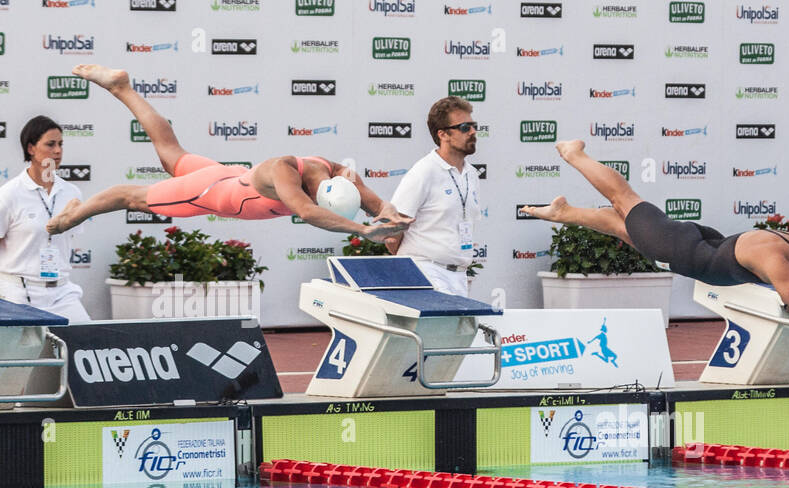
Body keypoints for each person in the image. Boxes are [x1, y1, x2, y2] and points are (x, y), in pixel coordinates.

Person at [521, 139, 789, 392]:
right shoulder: (779, 269)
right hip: (693, 253)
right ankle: (574, 154)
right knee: (625, 201)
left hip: (711, 241)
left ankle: (564, 213)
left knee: (630, 229)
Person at [45, 65, 410, 241]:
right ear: (320, 192)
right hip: (214, 192)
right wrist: (363, 230)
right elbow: (307, 212)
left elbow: (366, 198)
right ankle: (74, 215)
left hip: (226, 176)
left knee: (171, 153)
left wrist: (386, 212)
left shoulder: (332, 172)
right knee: (129, 197)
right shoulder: (285, 170)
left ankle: (121, 87)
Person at [382, 97, 482, 296]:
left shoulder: (471, 173)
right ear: (443, 134)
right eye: (464, 127)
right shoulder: (424, 171)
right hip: (426, 273)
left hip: (459, 276)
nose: (472, 132)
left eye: (473, 125)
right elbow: (392, 233)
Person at [0, 115, 90, 322]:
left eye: (60, 144)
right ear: (31, 148)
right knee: (26, 352)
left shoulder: (72, 192)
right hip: (18, 292)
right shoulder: (9, 194)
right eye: (50, 144)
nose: (58, 151)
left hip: (62, 291)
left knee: (85, 339)